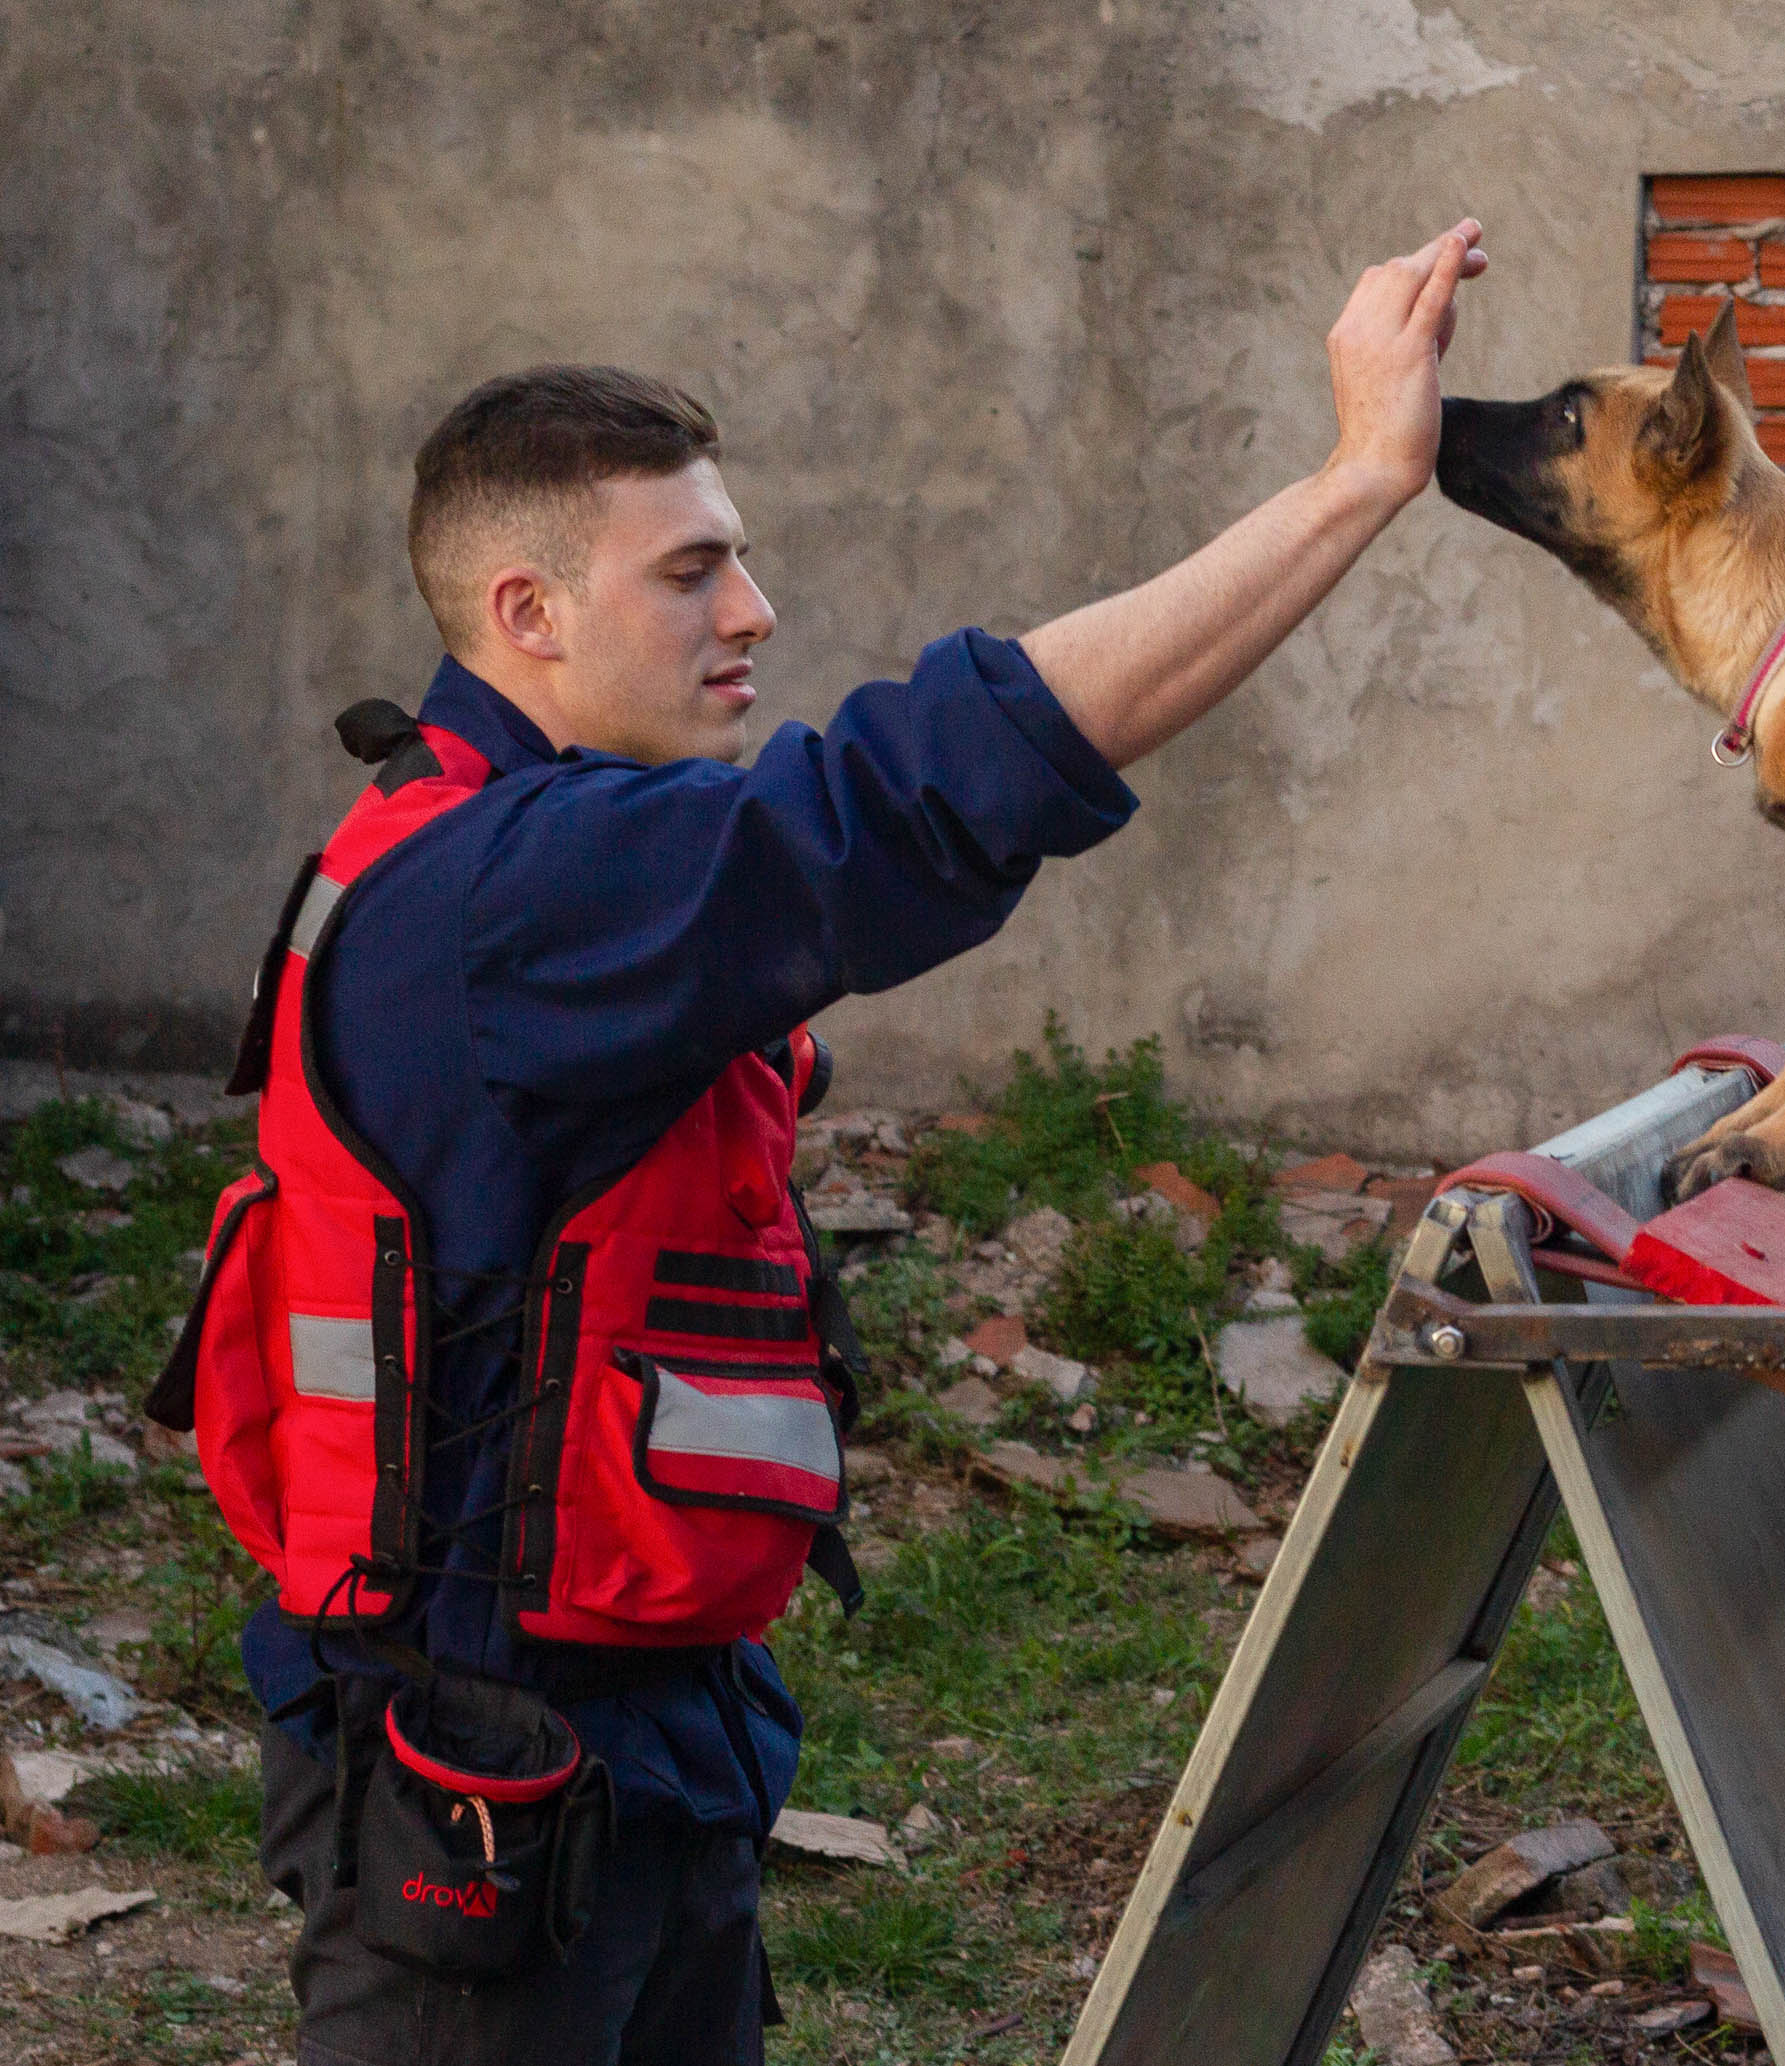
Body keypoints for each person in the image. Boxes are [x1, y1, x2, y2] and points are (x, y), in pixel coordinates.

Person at [145, 220, 1488, 2066]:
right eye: (691, 571)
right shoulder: (520, 889)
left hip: (631, 1744)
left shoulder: (530, 848)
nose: (753, 611)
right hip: (481, 1778)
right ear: (526, 614)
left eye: (744, 561)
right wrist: (1352, 484)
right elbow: (919, 788)